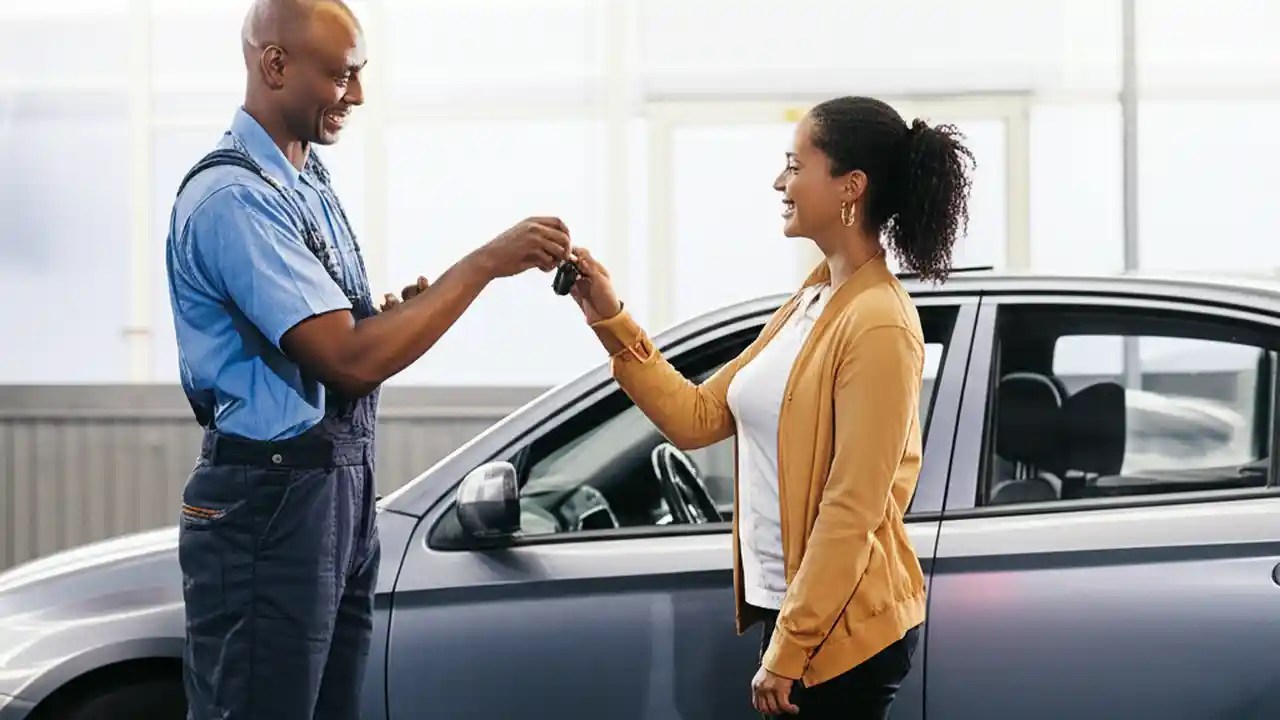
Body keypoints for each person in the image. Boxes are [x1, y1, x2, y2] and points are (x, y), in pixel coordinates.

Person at [163, 1, 572, 718]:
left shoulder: (307, 181)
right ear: (275, 64)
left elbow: (347, 332)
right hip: (271, 504)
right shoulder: (235, 197)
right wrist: (482, 265)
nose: (357, 95)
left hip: (333, 495)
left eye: (360, 74)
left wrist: (396, 315)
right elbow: (348, 361)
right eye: (342, 75)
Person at [565, 96, 974, 718]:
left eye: (794, 164)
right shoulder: (812, 301)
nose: (780, 181)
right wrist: (609, 317)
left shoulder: (879, 323)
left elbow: (852, 507)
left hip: (839, 634)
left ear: (850, 187)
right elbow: (697, 416)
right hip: (797, 617)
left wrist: (789, 649)